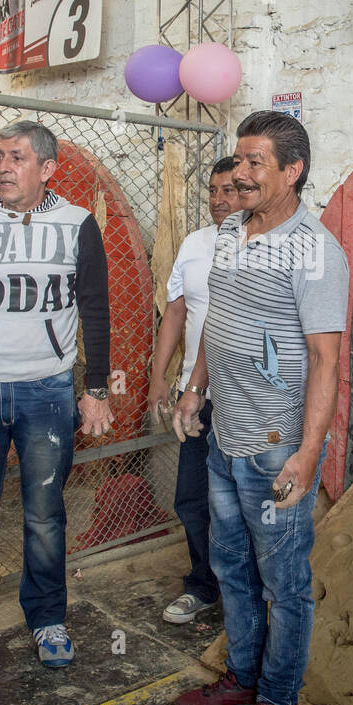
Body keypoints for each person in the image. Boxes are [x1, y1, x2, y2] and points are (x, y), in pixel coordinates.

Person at [172, 110, 349, 705]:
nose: (241, 175)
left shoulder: (315, 250)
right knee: (231, 569)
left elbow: (327, 360)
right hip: (223, 432)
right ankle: (241, 682)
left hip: (274, 445)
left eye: (255, 164)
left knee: (284, 584)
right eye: (238, 161)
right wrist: (195, 389)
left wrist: (308, 453)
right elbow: (216, 318)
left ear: (292, 171)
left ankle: (279, 704)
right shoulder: (230, 231)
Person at [0, 119, 113, 677]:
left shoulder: (78, 224)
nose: (3, 167)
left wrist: (97, 390)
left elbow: (96, 310)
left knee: (43, 516)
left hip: (48, 392)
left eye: (17, 158)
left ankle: (47, 618)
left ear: (48, 169)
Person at [147, 157, 238, 624]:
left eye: (229, 190)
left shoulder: (261, 244)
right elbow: (176, 314)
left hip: (243, 395)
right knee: (191, 496)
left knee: (241, 500)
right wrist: (160, 376)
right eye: (213, 191)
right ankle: (204, 586)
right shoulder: (194, 243)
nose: (220, 200)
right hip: (195, 395)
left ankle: (242, 592)